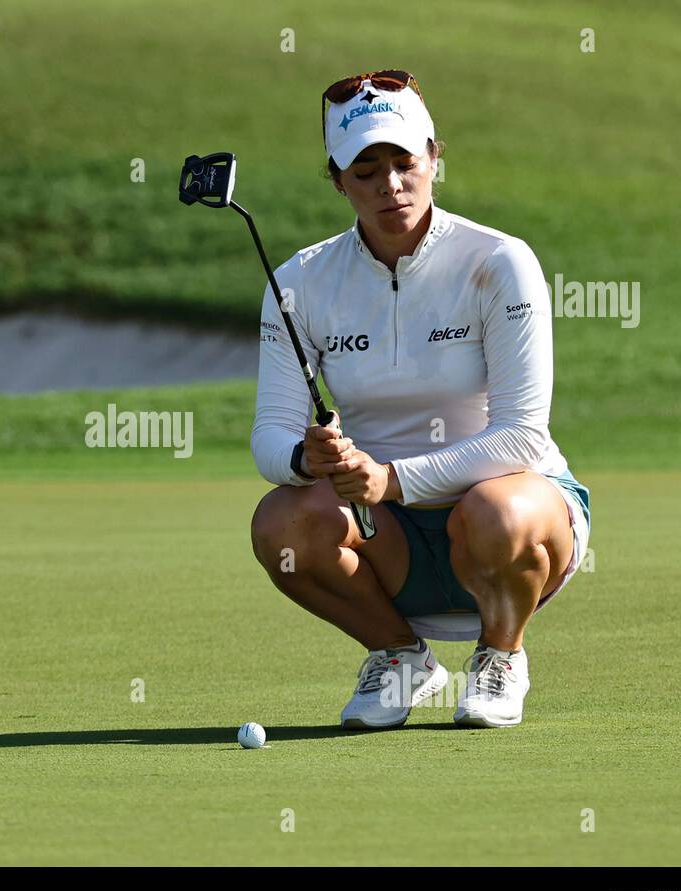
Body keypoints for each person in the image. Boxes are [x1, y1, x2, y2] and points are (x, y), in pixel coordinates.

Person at [249, 69, 590, 729]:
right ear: (338, 180)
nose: (390, 185)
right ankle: (399, 657)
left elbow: (522, 436)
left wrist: (391, 478)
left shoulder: (499, 261)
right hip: (385, 536)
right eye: (366, 170)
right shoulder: (300, 281)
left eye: (405, 162)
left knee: (497, 510)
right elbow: (271, 435)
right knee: (280, 524)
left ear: (434, 158)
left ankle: (500, 656)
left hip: (509, 524)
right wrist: (306, 459)